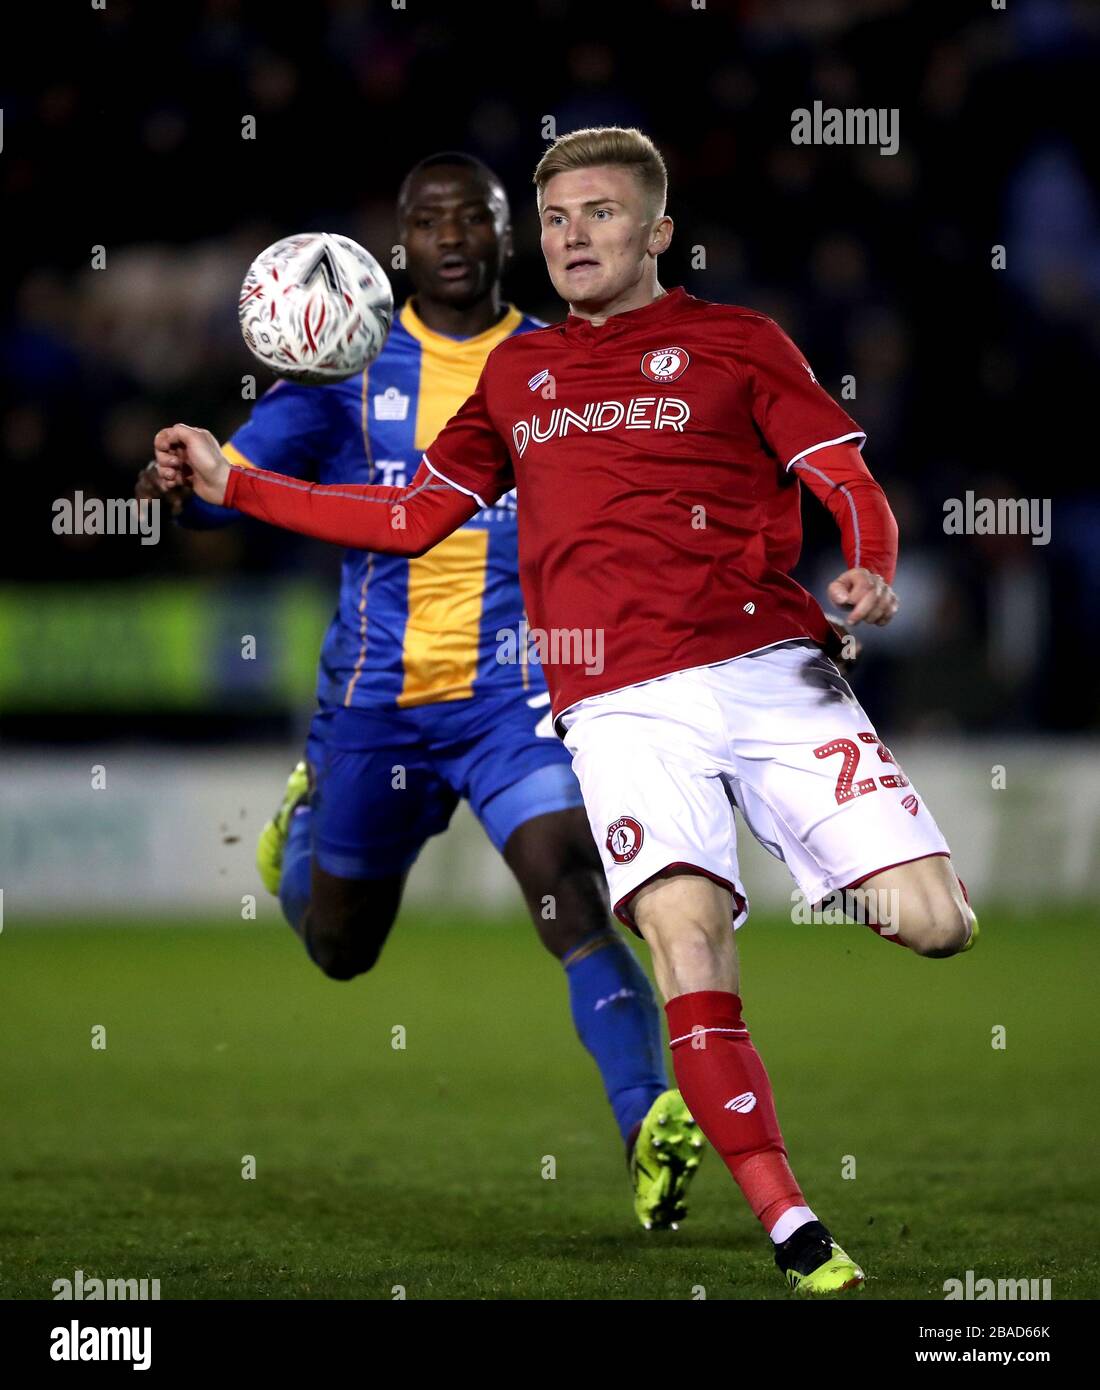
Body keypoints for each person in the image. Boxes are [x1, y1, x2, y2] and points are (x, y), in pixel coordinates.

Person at [154, 126, 979, 1294]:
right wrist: (229, 484)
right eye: (555, 217)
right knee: (560, 943)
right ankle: (789, 1223)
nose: (568, 235)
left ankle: (726, 1004)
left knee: (897, 919)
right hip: (509, 702)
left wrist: (867, 561)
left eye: (594, 214)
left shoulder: (726, 344)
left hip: (658, 681)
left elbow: (840, 477)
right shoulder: (474, 376)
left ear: (653, 232)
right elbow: (394, 519)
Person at [140, 152, 702, 1233]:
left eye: (474, 216)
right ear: (399, 242)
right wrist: (175, 477)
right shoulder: (348, 369)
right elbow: (226, 494)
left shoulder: (555, 363)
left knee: (567, 886)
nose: (451, 234)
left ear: (509, 234)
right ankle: (305, 832)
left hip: (510, 700)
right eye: (427, 219)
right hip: (376, 701)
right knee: (341, 947)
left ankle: (647, 1125)